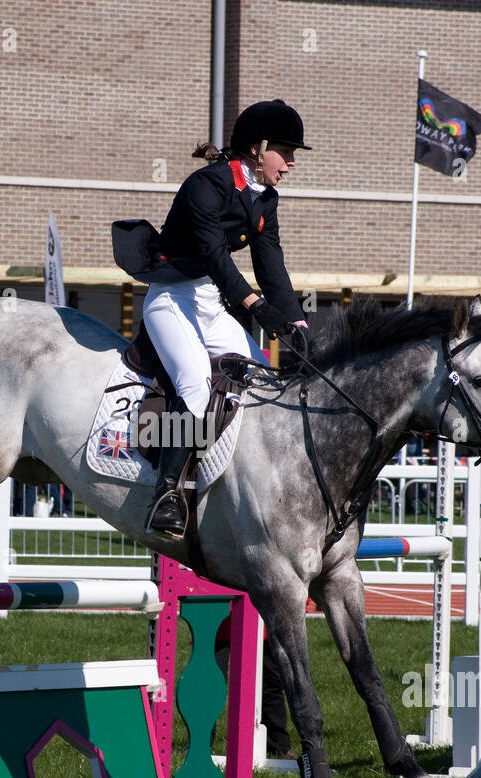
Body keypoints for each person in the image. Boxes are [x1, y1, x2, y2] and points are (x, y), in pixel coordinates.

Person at [114, 99, 312, 538]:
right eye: (287, 151)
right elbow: (212, 254)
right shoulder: (206, 184)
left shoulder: (264, 199)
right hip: (172, 300)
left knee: (262, 379)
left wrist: (297, 325)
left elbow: (271, 263)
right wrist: (253, 305)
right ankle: (168, 494)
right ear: (259, 148)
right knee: (195, 385)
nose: (293, 162)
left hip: (209, 304)